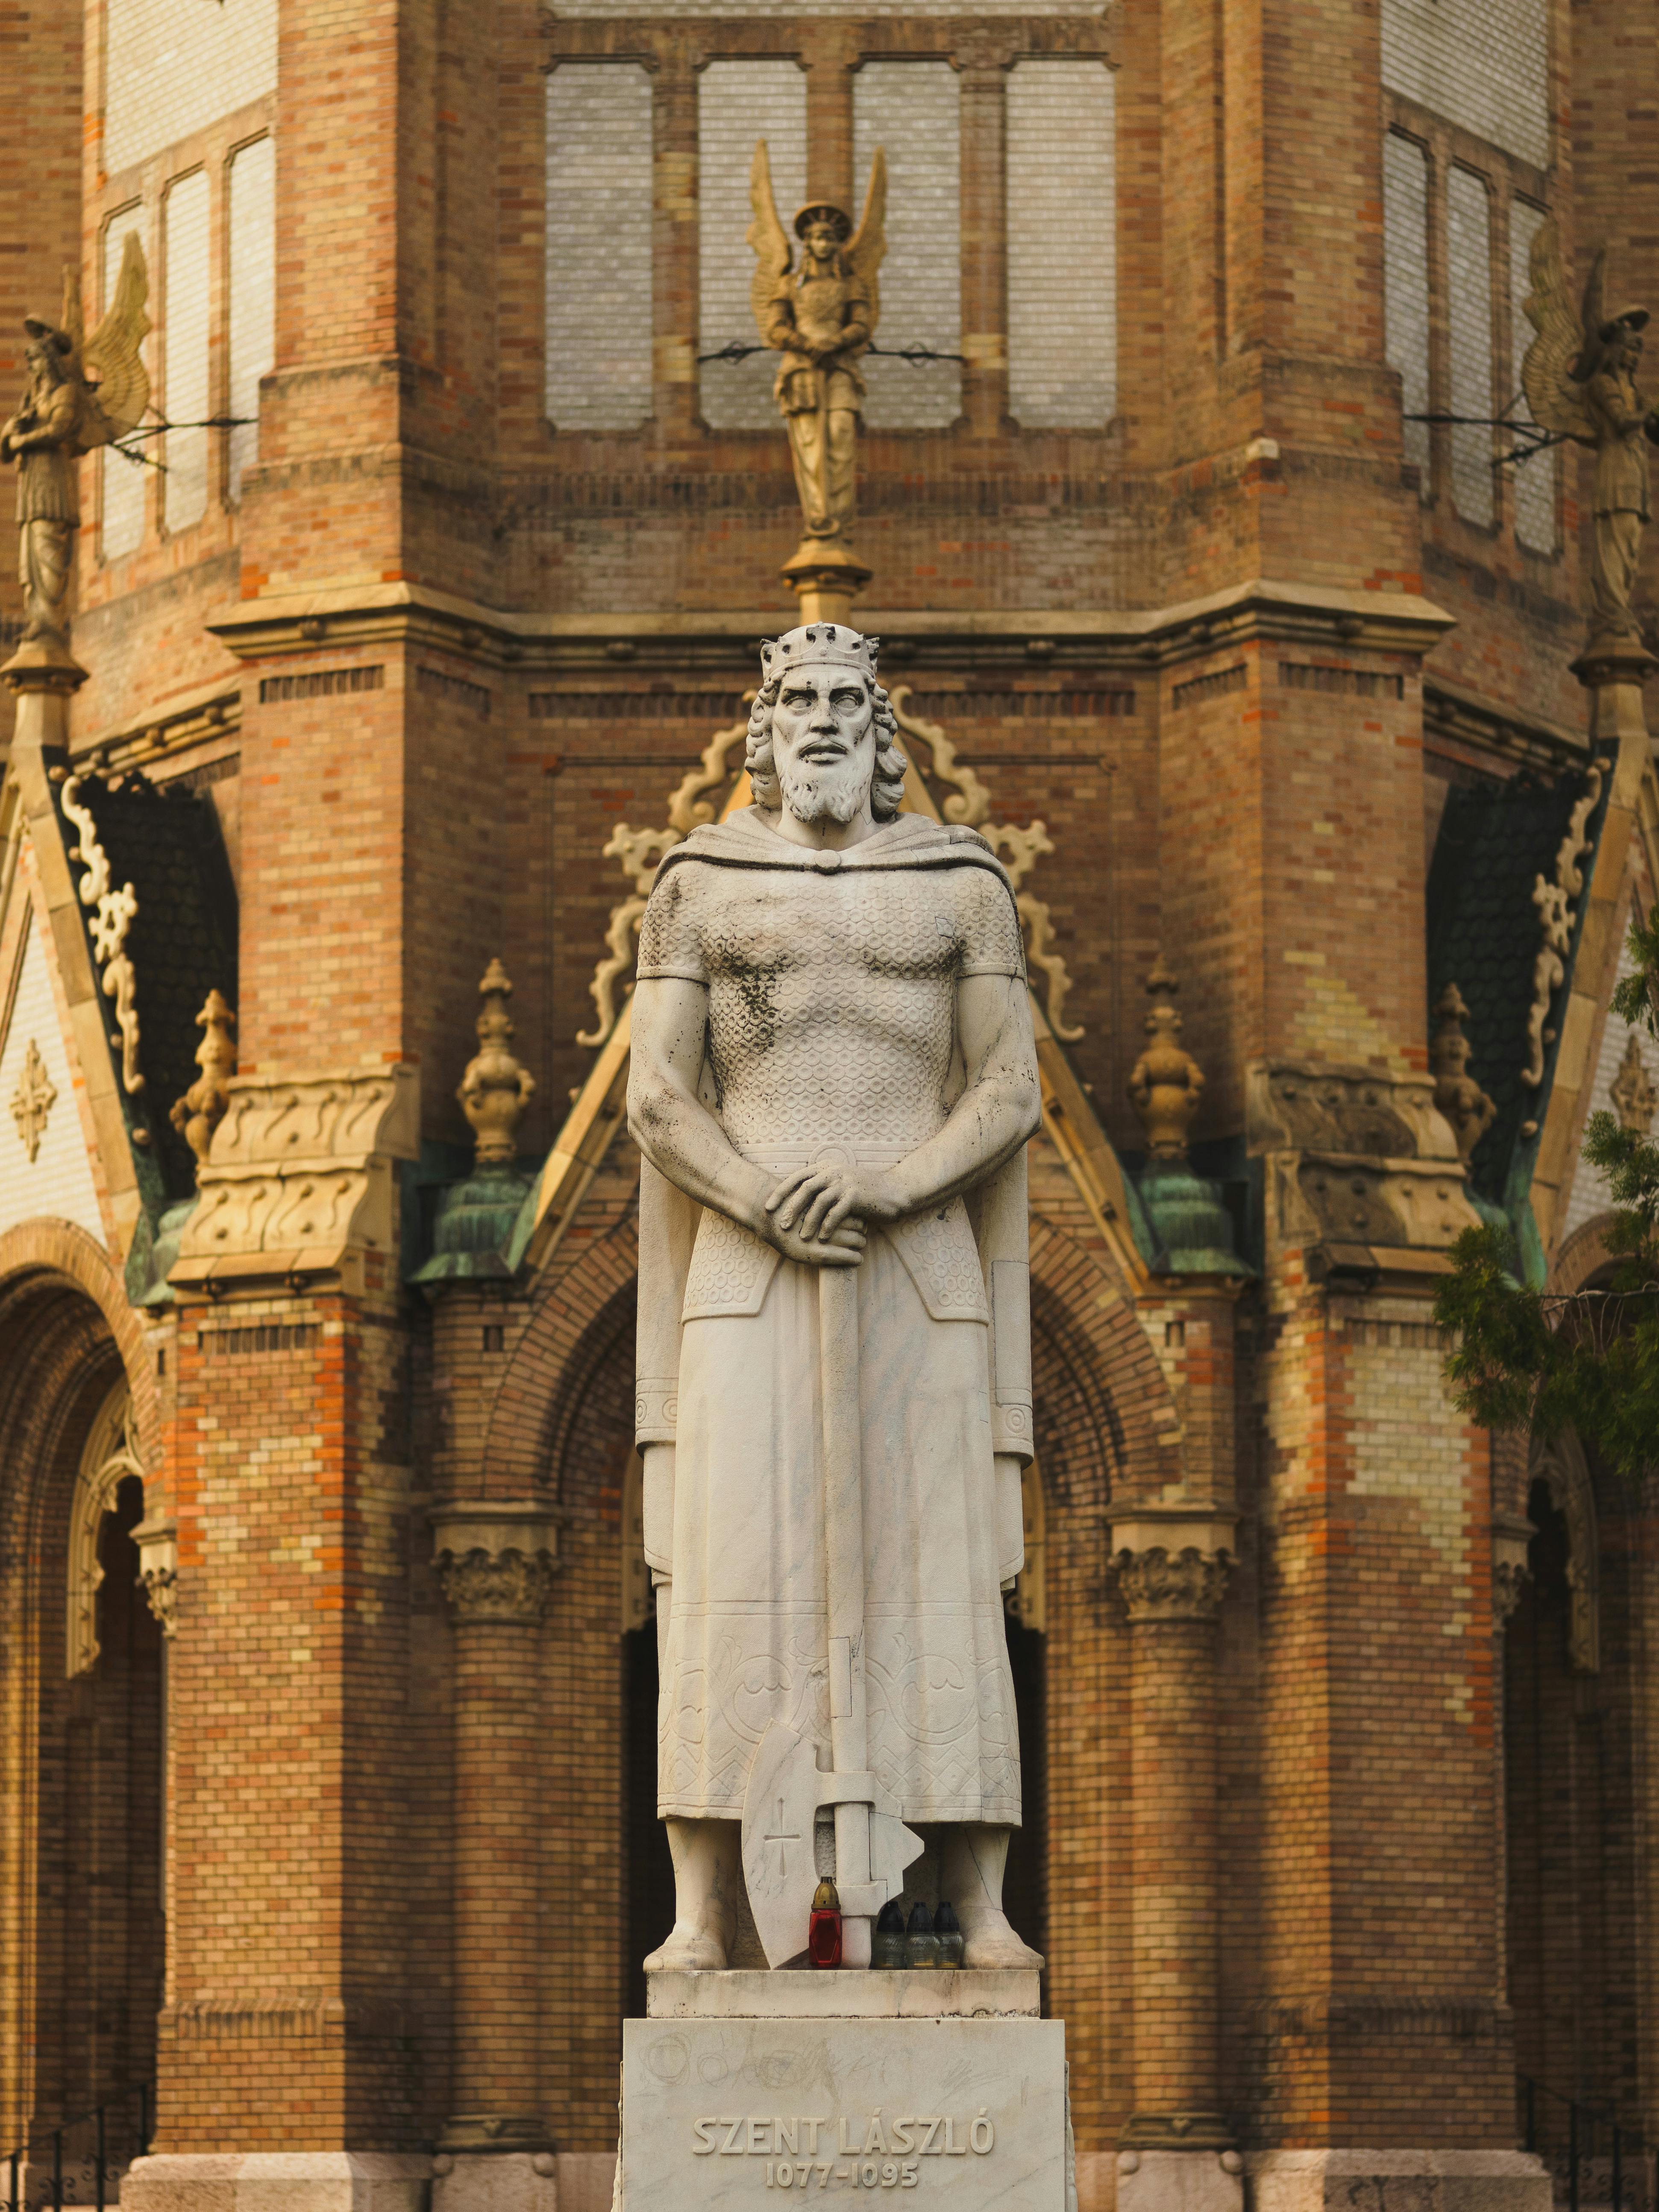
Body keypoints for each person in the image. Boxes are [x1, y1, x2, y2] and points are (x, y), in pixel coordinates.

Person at [628, 622, 1044, 1971]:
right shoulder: (698, 886)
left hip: (913, 1267)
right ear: (762, 731)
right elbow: (656, 1092)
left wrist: (894, 1184)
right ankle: (698, 1916)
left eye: (845, 703)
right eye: (795, 700)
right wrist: (760, 1198)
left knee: (939, 1583)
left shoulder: (960, 887)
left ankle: (980, 1910)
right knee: (728, 1581)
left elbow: (1007, 1086)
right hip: (750, 1274)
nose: (819, 720)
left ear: (883, 733)